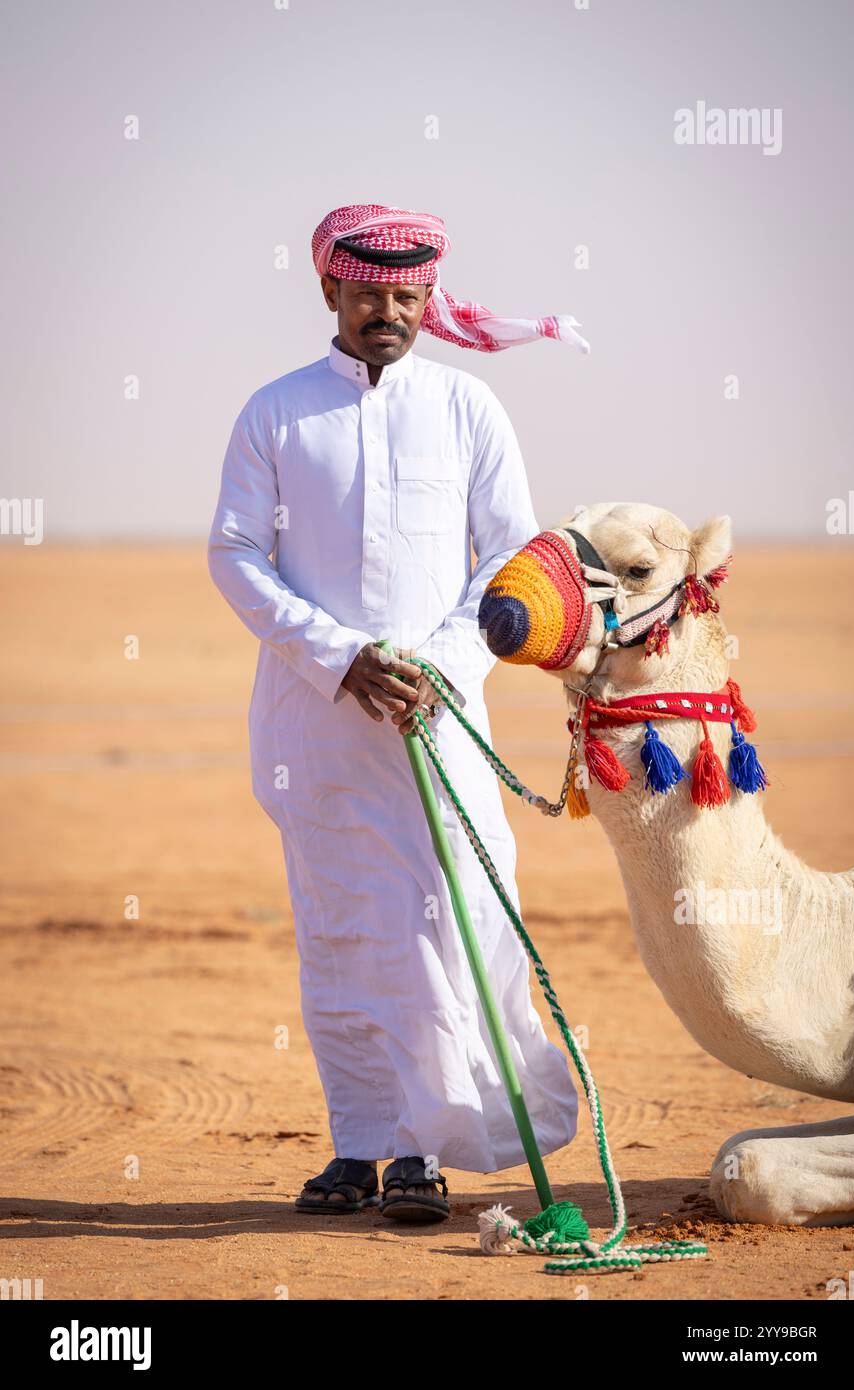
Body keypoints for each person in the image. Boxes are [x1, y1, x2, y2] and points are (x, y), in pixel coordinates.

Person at [208, 203, 589, 1222]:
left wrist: (443, 665)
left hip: (440, 724)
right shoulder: (275, 413)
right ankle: (359, 1145)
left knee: (445, 929)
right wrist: (342, 659)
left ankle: (424, 1146)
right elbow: (234, 554)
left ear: (429, 297)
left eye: (408, 293)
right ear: (330, 289)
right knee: (342, 933)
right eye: (370, 290)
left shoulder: (468, 409)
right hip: (318, 727)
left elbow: (515, 559)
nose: (390, 309)